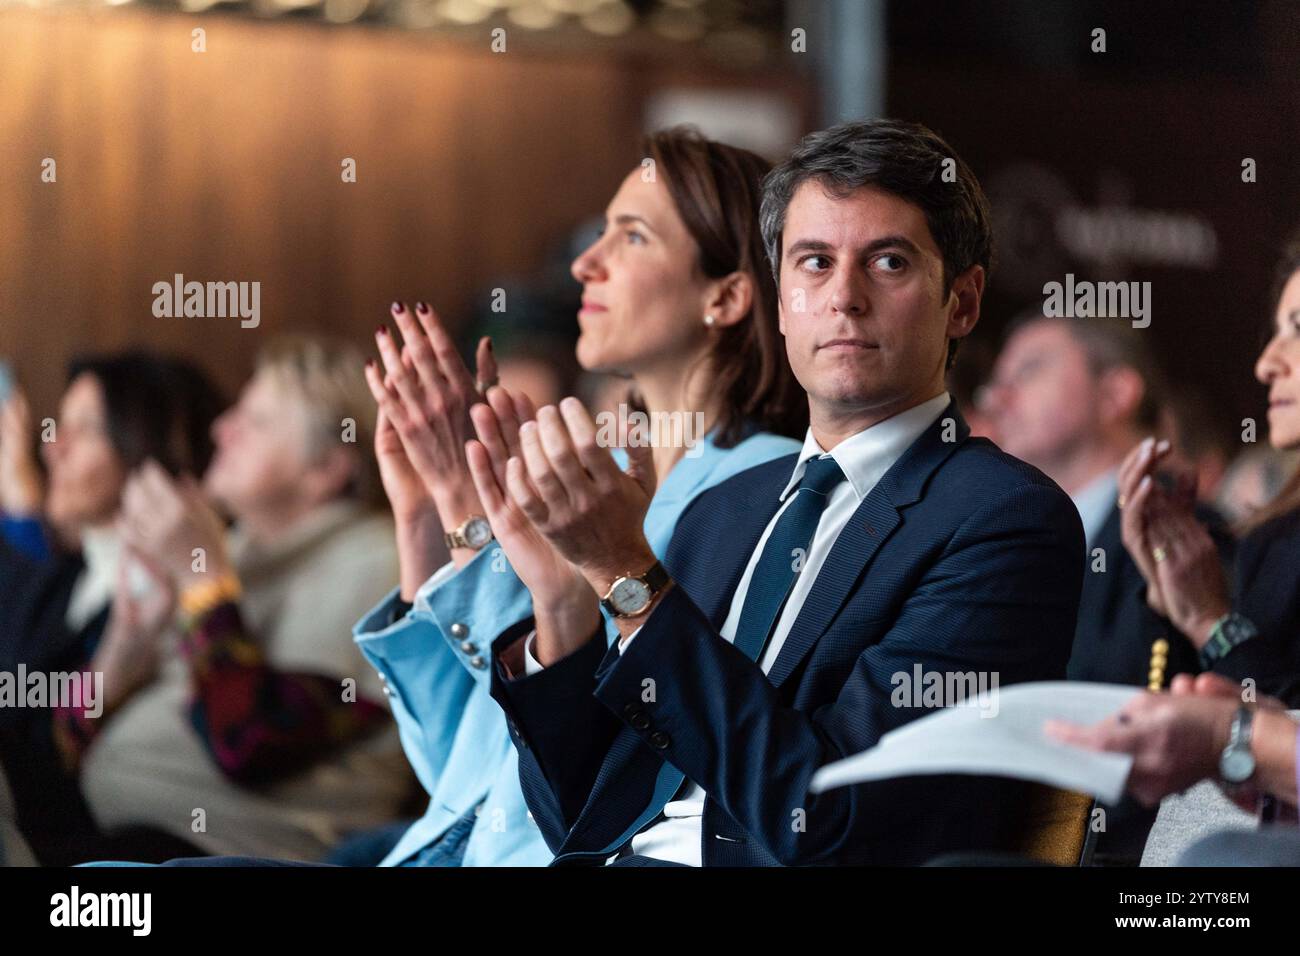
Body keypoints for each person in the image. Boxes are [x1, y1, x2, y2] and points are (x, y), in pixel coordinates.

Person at [474, 119, 1085, 866]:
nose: (844, 297)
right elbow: (582, 818)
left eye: (888, 262)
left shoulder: (1004, 520)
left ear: (961, 301)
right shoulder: (725, 510)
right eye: (814, 263)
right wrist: (563, 605)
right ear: (781, 300)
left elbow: (831, 822)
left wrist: (627, 577)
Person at [346, 127, 808, 867]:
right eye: (602, 234)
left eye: (633, 237)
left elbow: (615, 773)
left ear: (725, 296)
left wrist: (468, 513)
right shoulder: (602, 468)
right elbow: (463, 774)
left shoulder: (768, 491)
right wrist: (427, 514)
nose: (584, 264)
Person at [65, 336, 411, 863]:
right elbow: (62, 749)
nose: (221, 429)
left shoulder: (375, 563)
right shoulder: (239, 550)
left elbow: (250, 745)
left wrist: (203, 583)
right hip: (116, 832)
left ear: (326, 468)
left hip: (221, 853)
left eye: (256, 421)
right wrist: (124, 643)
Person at [0, 352, 224, 865]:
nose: (52, 445)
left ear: (144, 448)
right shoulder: (69, 576)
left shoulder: (173, 595)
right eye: (59, 424)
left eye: (84, 430)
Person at [1114, 231, 1300, 708]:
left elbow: (1284, 738)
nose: (1266, 365)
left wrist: (1211, 623)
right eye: (1275, 333)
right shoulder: (1271, 541)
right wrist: (1173, 600)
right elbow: (1180, 727)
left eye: (1299, 329)